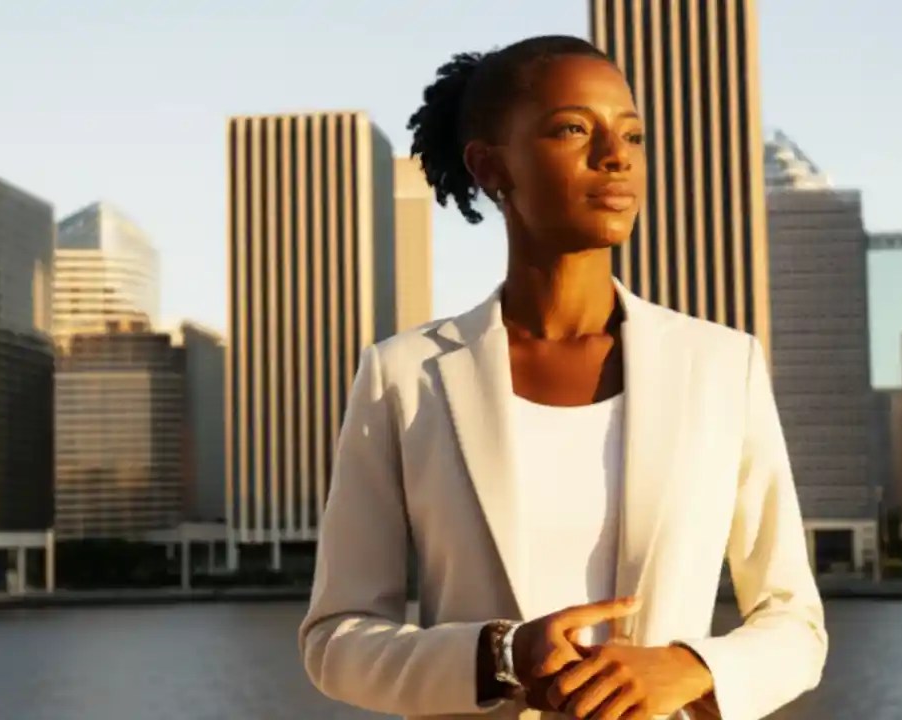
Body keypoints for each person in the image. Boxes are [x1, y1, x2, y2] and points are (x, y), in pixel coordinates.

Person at [299, 34, 826, 720]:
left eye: (632, 136)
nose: (616, 156)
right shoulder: (402, 376)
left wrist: (693, 668)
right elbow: (335, 640)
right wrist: (502, 656)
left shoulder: (722, 366)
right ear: (490, 166)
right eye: (574, 128)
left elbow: (795, 623)